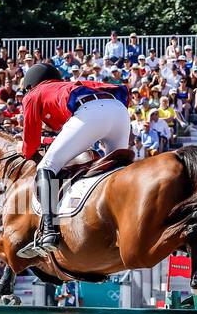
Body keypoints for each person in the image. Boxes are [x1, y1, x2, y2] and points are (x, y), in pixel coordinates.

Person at [15, 61, 131, 258]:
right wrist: (47, 140)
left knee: (47, 166)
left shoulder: (33, 94)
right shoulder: (65, 85)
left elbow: (30, 147)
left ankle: (49, 231)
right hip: (119, 111)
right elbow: (73, 136)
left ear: (29, 85)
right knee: (117, 174)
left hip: (90, 113)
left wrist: (25, 147)